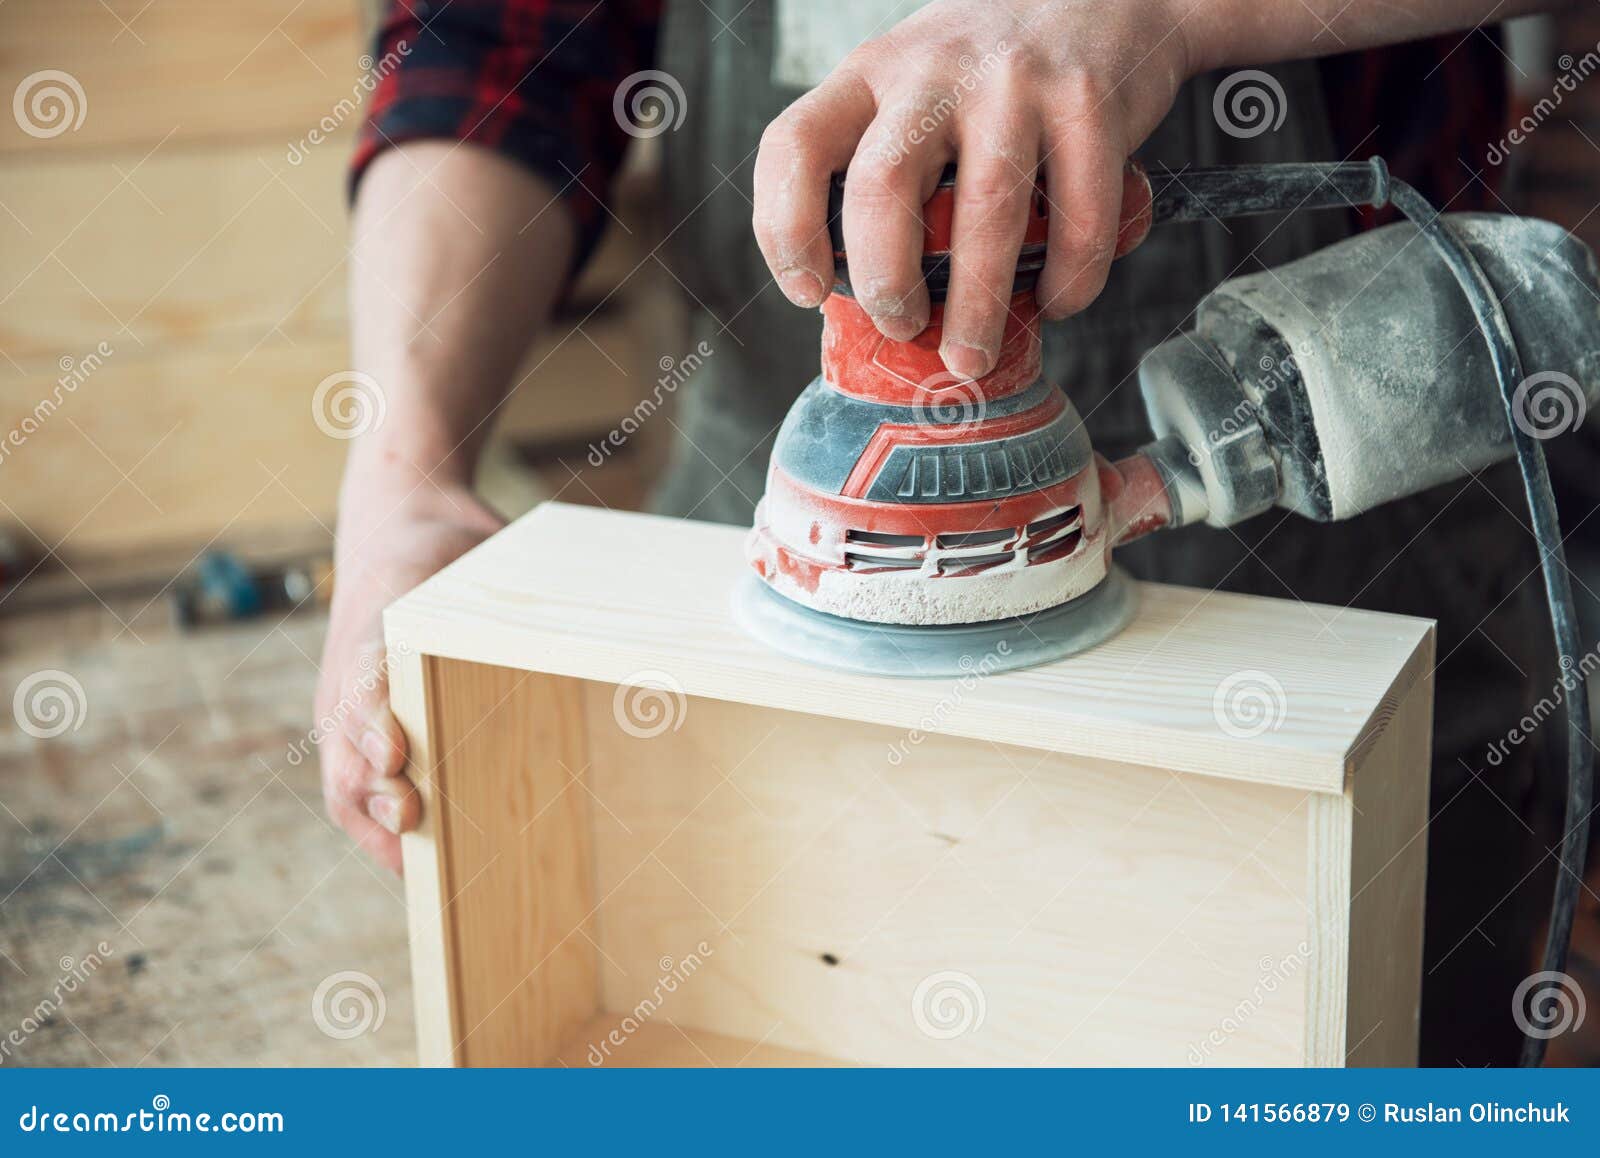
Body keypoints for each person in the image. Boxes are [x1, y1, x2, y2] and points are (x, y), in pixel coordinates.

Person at [319, 0, 1568, 1064]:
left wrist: (1161, 18)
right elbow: (496, 48)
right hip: (752, 555)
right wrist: (403, 466)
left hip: (1335, 543)